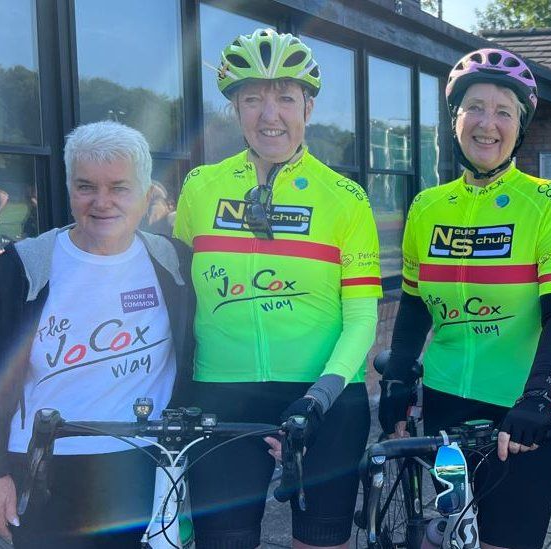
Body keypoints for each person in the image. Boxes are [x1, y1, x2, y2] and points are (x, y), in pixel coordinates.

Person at [172, 28, 381, 549]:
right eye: (252, 99)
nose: (270, 115)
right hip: (223, 394)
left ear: (307, 107)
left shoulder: (346, 198)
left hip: (325, 399)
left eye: (285, 97)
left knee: (320, 541)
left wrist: (319, 397)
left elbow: (361, 318)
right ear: (234, 111)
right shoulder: (200, 189)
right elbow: (180, 298)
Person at [378, 48, 551, 549]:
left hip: (529, 401)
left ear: (521, 127)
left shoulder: (547, 202)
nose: (487, 123)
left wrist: (539, 396)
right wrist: (399, 381)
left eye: (503, 111)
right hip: (449, 396)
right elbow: (412, 307)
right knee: (455, 532)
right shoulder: (427, 206)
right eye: (475, 107)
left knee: (508, 540)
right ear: (455, 119)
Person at [0, 120, 195, 548]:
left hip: (142, 462)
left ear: (146, 195)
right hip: (44, 465)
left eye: (119, 188)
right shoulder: (25, 266)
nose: (101, 202)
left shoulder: (173, 263)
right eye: (86, 186)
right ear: (69, 187)